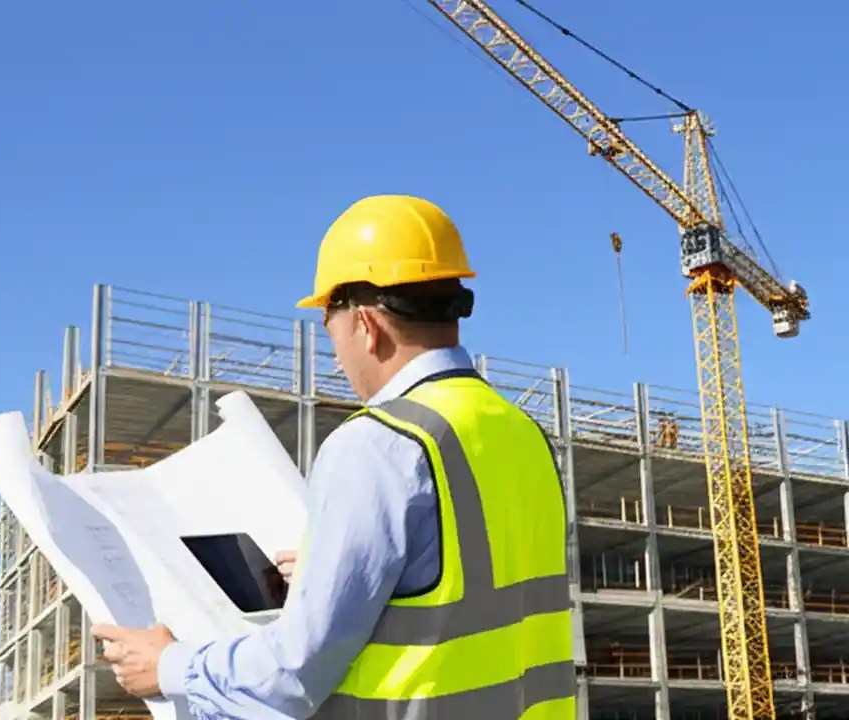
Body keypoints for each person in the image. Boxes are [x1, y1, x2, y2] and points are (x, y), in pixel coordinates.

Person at [91, 194, 577, 718]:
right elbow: (478, 606)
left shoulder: (377, 443)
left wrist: (170, 665)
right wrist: (341, 576)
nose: (338, 355)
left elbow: (293, 673)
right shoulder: (524, 434)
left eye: (330, 329)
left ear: (365, 325)